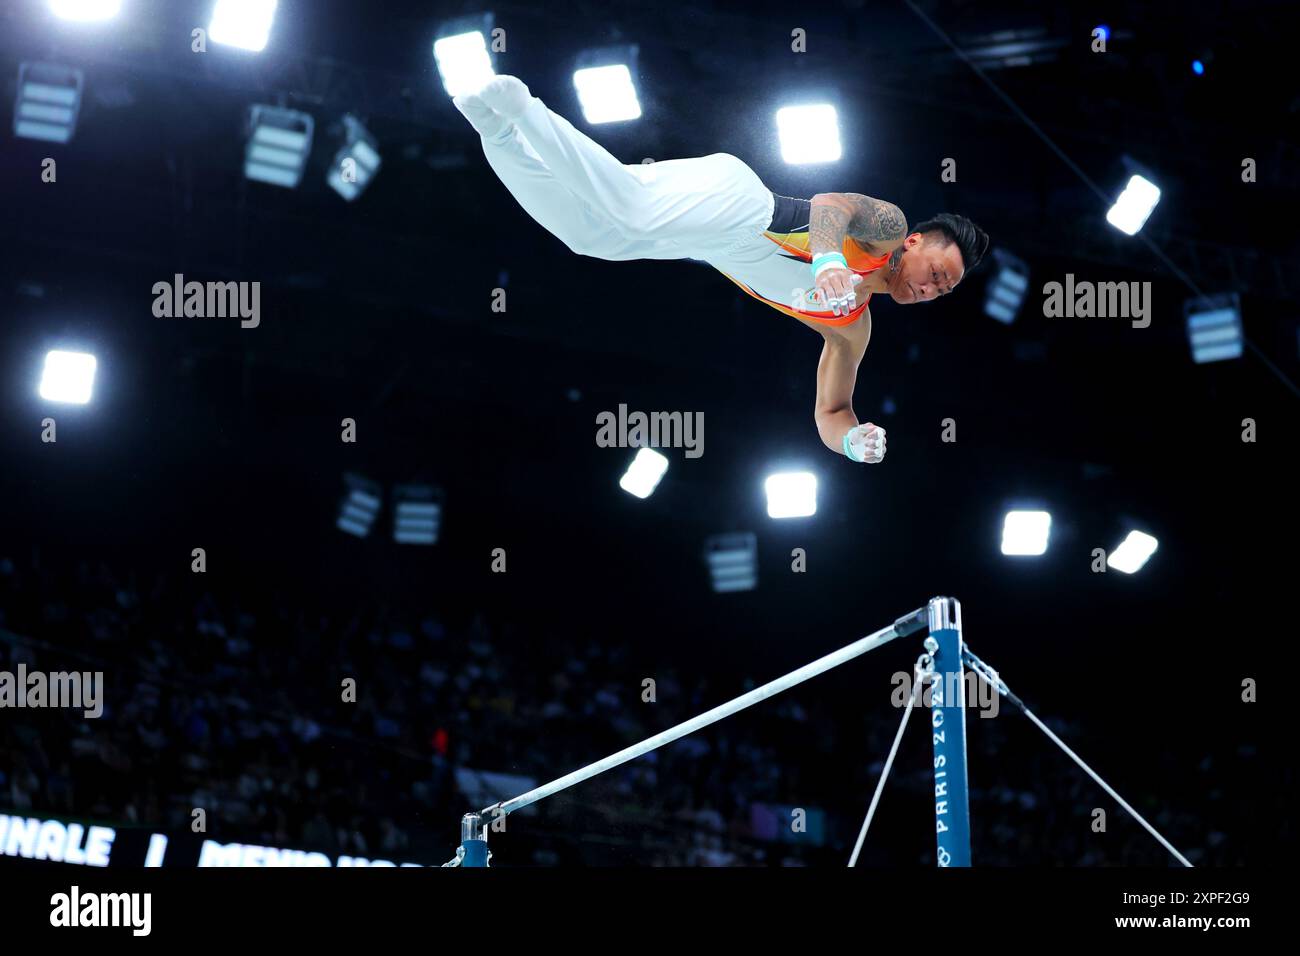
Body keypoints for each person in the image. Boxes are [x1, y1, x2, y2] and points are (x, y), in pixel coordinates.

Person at [455, 76, 988, 463]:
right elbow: (831, 203)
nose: (931, 289)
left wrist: (852, 441)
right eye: (938, 273)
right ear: (916, 242)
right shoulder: (888, 228)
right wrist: (827, 258)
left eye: (942, 291)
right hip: (741, 204)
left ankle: (498, 133)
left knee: (590, 236)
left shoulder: (852, 328)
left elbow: (833, 412)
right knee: (629, 207)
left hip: (710, 244)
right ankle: (525, 108)